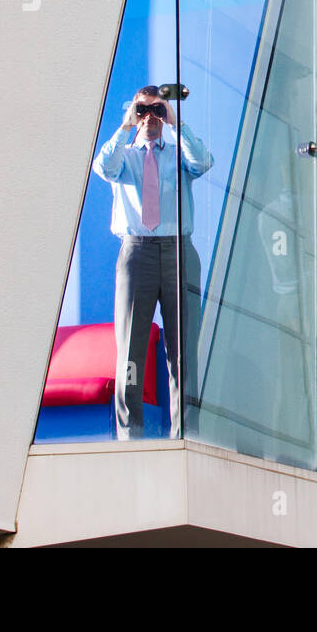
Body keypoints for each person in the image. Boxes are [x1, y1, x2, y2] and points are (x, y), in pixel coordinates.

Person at [92, 85, 213, 439]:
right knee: (130, 349)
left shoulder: (178, 153)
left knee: (183, 349)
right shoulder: (125, 157)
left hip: (178, 249)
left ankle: (186, 434)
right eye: (144, 110)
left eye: (156, 111)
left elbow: (203, 162)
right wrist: (128, 124)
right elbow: (103, 166)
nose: (151, 118)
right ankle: (131, 436)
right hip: (137, 251)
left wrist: (175, 121)